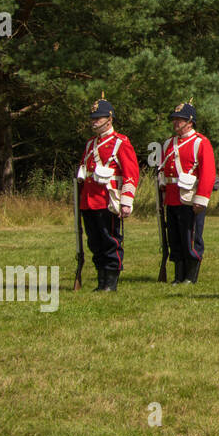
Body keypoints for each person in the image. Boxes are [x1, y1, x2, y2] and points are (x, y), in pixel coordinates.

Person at [76, 94, 139, 291]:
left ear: (109, 119)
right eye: (93, 118)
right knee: (95, 242)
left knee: (110, 241)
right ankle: (101, 279)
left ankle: (111, 281)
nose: (94, 122)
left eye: (98, 118)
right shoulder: (90, 144)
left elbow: (131, 173)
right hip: (89, 200)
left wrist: (126, 201)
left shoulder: (120, 142)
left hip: (107, 200)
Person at [158, 102, 217, 285]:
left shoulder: (200, 142)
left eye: (180, 120)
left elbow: (208, 173)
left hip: (190, 197)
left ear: (190, 122)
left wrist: (201, 199)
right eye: (174, 119)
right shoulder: (169, 143)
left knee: (190, 236)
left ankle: (190, 276)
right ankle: (178, 274)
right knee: (174, 237)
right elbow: (163, 170)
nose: (176, 123)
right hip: (172, 197)